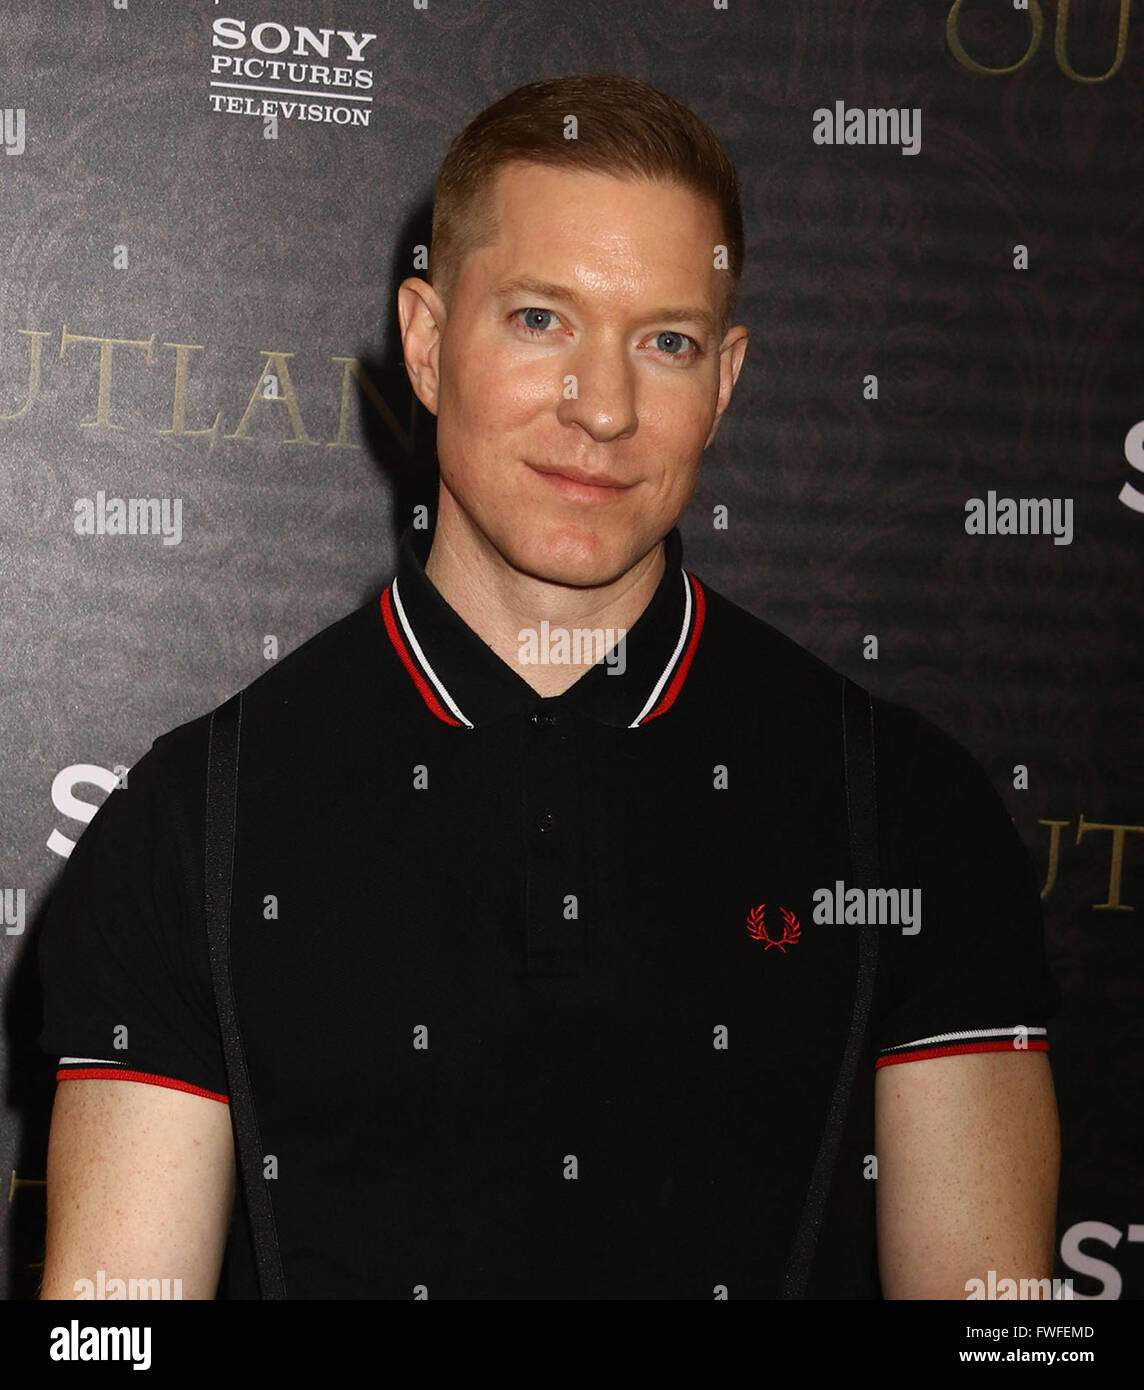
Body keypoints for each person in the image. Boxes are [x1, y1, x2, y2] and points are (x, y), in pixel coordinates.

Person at [37, 73, 1060, 1300]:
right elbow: (106, 1326)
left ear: (725, 383)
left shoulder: (909, 814)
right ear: (425, 343)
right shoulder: (191, 823)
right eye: (539, 320)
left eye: (666, 342)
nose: (604, 408)